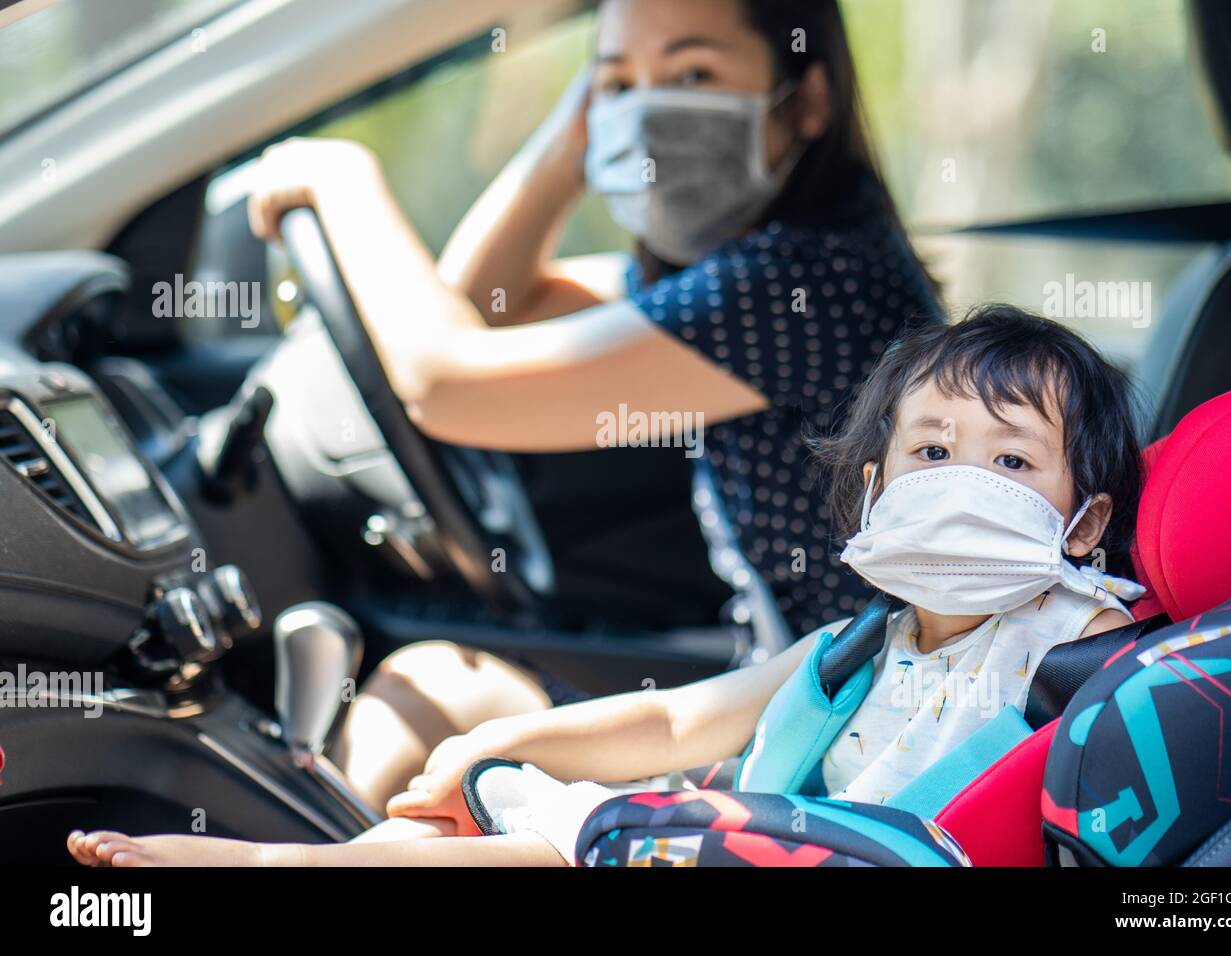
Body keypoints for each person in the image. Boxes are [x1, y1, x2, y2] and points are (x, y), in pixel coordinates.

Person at [66, 306, 1147, 866]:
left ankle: (270, 868)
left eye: (1009, 463)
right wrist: (494, 746)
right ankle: (331, 859)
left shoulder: (1070, 638)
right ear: (872, 492)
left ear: (1086, 519)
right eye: (929, 453)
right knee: (449, 830)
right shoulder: (867, 642)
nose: (962, 484)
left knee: (561, 842)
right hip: (762, 840)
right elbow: (679, 714)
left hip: (831, 851)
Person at [239, 0, 943, 809]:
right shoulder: (740, 268)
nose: (648, 112)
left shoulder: (802, 283)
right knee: (424, 698)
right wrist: (586, 130)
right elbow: (488, 300)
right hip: (789, 693)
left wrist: (346, 178)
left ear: (807, 98)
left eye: (692, 74)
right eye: (618, 86)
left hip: (843, 747)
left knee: (415, 711)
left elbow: (446, 382)